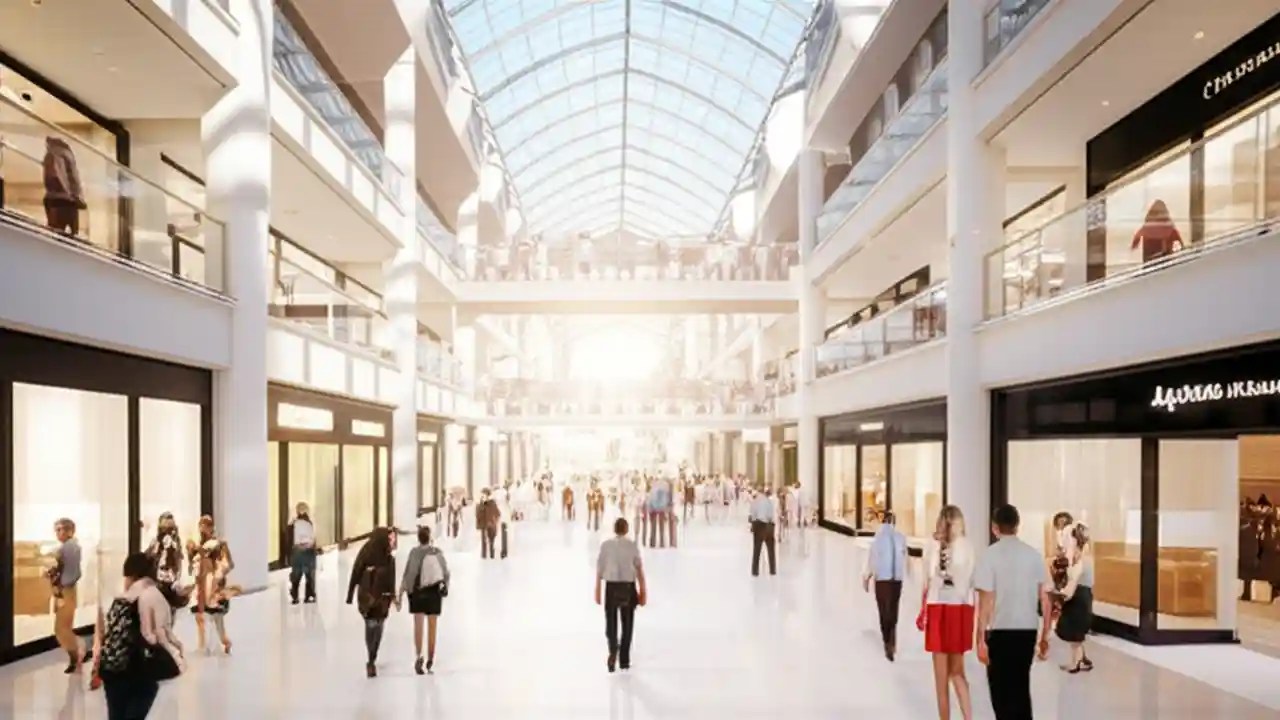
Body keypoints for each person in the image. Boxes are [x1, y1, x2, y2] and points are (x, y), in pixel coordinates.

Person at [974, 504, 1054, 720]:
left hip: (999, 631)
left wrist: (980, 639)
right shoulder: (1034, 556)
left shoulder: (989, 556)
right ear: (1017, 526)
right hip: (1027, 631)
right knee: (1020, 688)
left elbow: (986, 601)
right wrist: (1045, 635)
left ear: (994, 528)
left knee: (1000, 693)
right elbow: (1046, 599)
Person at [93, 552, 184, 720]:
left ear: (130, 575)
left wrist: (97, 664)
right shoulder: (154, 596)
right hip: (138, 669)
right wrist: (178, 654)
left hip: (112, 670)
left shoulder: (117, 600)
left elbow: (102, 635)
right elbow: (161, 636)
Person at [920, 506, 976, 720]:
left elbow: (925, 583)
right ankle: (968, 717)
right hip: (960, 610)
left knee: (940, 678)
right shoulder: (967, 547)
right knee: (958, 672)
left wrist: (921, 609)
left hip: (937, 610)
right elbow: (971, 581)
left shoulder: (931, 546)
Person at [595, 518, 647, 673]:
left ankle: (612, 650)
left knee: (611, 621)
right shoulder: (632, 546)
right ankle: (624, 659)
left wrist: (597, 589)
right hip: (627, 586)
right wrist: (643, 590)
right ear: (626, 529)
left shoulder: (605, 546)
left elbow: (599, 569)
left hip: (611, 586)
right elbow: (638, 568)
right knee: (627, 623)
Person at [347, 527, 399, 677]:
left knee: (373, 625)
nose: (391, 541)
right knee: (376, 625)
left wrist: (350, 594)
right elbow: (390, 577)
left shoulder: (375, 553)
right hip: (376, 598)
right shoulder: (379, 555)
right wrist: (392, 596)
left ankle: (371, 656)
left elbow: (357, 571)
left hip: (372, 597)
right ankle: (372, 656)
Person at [400, 526, 449, 675]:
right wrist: (445, 587)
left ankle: (419, 655)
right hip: (434, 593)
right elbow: (446, 573)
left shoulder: (414, 553)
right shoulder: (437, 553)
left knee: (418, 625)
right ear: (429, 537)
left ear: (419, 538)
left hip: (418, 593)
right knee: (432, 626)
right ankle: (430, 659)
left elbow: (409, 574)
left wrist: (402, 592)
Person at [188, 516, 236, 655]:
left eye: (205, 526)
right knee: (201, 616)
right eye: (201, 526)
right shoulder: (200, 547)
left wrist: (216, 575)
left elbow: (227, 565)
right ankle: (203, 644)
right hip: (201, 586)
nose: (202, 529)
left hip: (213, 586)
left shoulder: (219, 545)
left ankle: (224, 641)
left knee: (216, 618)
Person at [863, 511, 907, 661]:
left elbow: (872, 559)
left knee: (883, 610)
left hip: (882, 579)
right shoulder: (901, 537)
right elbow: (905, 558)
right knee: (894, 609)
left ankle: (886, 639)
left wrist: (867, 576)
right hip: (896, 580)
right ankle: (892, 640)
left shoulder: (878, 538)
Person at [1054, 522, 1094, 673]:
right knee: (1076, 635)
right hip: (1082, 598)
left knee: (1074, 635)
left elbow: (1070, 588)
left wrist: (1057, 595)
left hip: (1078, 599)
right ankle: (1082, 660)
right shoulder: (1083, 558)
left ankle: (1075, 663)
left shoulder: (1080, 563)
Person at [47, 518, 86, 673]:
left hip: (66, 591)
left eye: (63, 529)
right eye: (57, 530)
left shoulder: (69, 548)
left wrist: (59, 581)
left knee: (62, 628)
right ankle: (77, 654)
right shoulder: (67, 547)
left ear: (70, 531)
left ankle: (76, 654)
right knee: (63, 627)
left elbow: (72, 573)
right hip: (64, 591)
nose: (60, 533)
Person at [144, 513, 189, 617]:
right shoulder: (155, 542)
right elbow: (148, 557)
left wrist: (177, 578)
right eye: (165, 528)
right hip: (157, 580)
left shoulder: (176, 543)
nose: (168, 532)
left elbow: (178, 561)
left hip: (171, 581)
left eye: (171, 528)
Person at [1131, 199, 1184, 264]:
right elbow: (1181, 243)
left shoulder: (1147, 227)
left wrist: (1133, 246)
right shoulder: (1169, 228)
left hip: (1149, 263)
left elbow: (1136, 241)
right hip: (1166, 263)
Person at [287, 503, 319, 604]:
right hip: (308, 551)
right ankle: (309, 595)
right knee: (309, 574)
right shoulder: (309, 523)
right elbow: (313, 538)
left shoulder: (293, 524)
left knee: (297, 574)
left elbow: (288, 540)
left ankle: (295, 595)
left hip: (297, 550)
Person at [748, 488, 777, 577]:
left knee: (756, 550)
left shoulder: (755, 502)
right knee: (771, 550)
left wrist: (752, 523)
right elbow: (771, 515)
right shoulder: (769, 502)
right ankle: (772, 570)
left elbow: (751, 515)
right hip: (768, 526)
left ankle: (755, 571)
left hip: (758, 525)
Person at [476, 489, 502, 560]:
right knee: (484, 541)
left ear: (487, 495)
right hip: (484, 524)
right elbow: (478, 514)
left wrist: (495, 521)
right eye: (482, 495)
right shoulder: (480, 504)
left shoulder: (492, 503)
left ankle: (491, 555)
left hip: (491, 524)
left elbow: (497, 513)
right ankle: (484, 556)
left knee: (491, 541)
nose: (483, 496)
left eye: (484, 494)